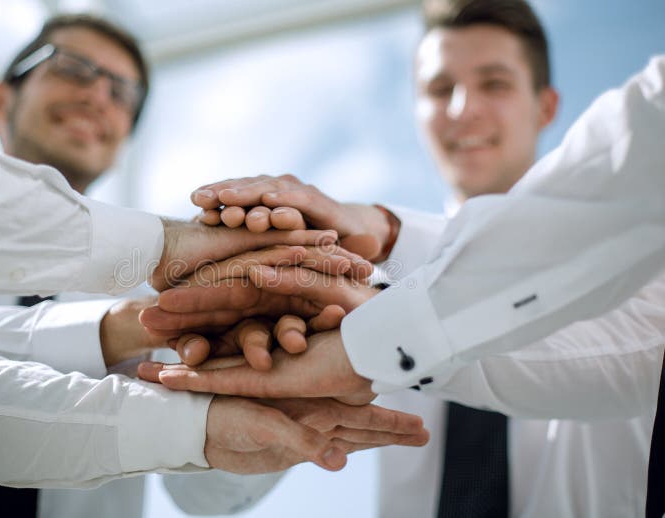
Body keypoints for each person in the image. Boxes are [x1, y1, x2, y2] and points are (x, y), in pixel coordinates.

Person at [0, 33, 431, 518]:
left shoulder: (183, 304)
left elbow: (205, 494)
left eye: (122, 93)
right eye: (71, 68)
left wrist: (274, 387)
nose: (96, 95)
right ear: (1, 96)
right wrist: (156, 276)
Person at [137, 10, 665, 518]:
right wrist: (257, 384)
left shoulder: (644, 265)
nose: (463, 109)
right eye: (440, 90)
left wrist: (388, 240)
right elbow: (206, 501)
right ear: (416, 111)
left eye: (495, 84)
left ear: (545, 107)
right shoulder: (341, 291)